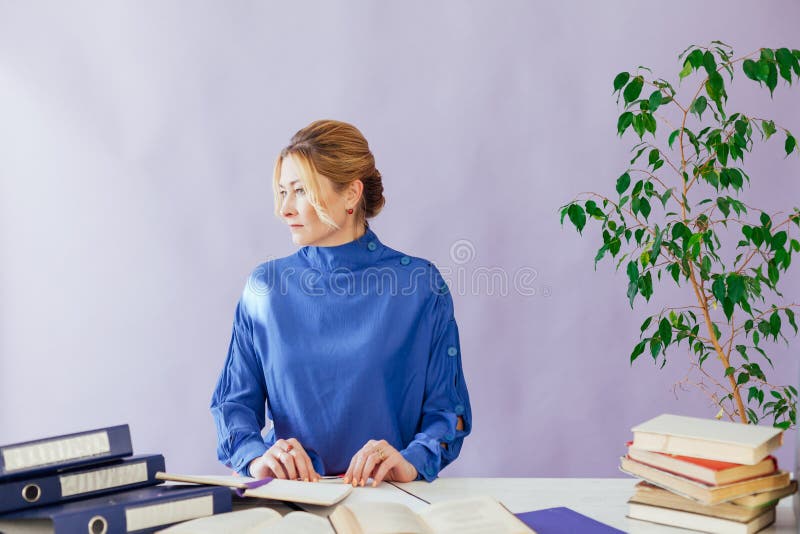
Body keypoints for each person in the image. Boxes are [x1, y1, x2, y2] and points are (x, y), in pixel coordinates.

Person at [210, 119, 471, 487]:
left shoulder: (419, 286)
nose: (284, 209)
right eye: (282, 191)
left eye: (300, 191)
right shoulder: (265, 289)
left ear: (351, 194)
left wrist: (410, 462)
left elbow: (448, 411)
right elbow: (233, 404)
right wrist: (256, 459)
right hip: (291, 502)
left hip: (389, 500)